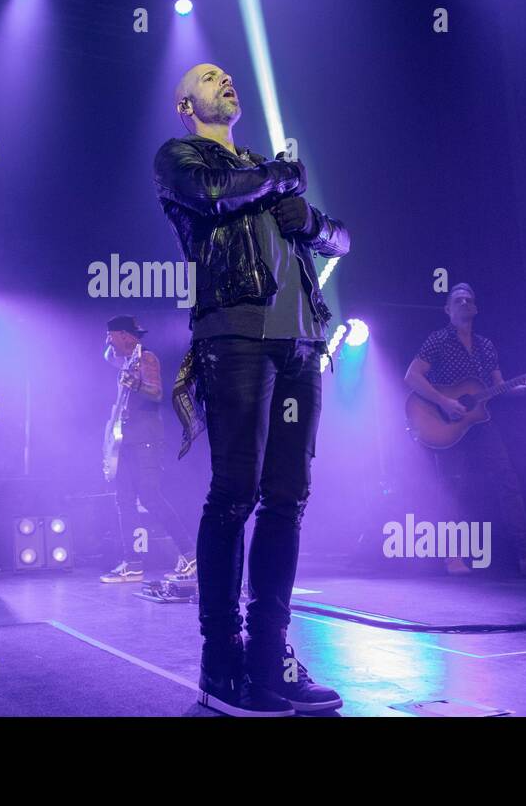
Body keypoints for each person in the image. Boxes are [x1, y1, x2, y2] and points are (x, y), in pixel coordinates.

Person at [154, 62, 349, 716]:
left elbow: (342, 238)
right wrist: (278, 179)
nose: (226, 81)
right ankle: (221, 661)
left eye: (229, 76)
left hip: (300, 344)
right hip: (235, 336)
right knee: (233, 494)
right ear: (187, 103)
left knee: (286, 500)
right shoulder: (180, 156)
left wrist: (311, 224)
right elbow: (212, 194)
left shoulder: (268, 174)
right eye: (210, 78)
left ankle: (271, 656)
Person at [404, 282, 526, 576]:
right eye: (458, 300)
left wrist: (525, 388)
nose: (464, 302)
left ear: (475, 308)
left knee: (507, 479)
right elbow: (412, 376)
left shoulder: (485, 346)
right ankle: (452, 556)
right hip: (444, 424)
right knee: (452, 487)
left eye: (469, 299)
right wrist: (445, 401)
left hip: (479, 424)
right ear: (448, 309)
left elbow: (498, 387)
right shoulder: (437, 340)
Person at [99, 315, 197, 585]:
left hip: (145, 441)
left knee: (150, 497)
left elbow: (157, 394)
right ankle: (131, 563)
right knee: (124, 501)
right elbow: (107, 354)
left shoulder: (147, 359)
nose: (108, 340)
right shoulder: (127, 359)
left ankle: (190, 554)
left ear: (125, 336)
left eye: (112, 334)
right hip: (125, 442)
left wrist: (137, 384)